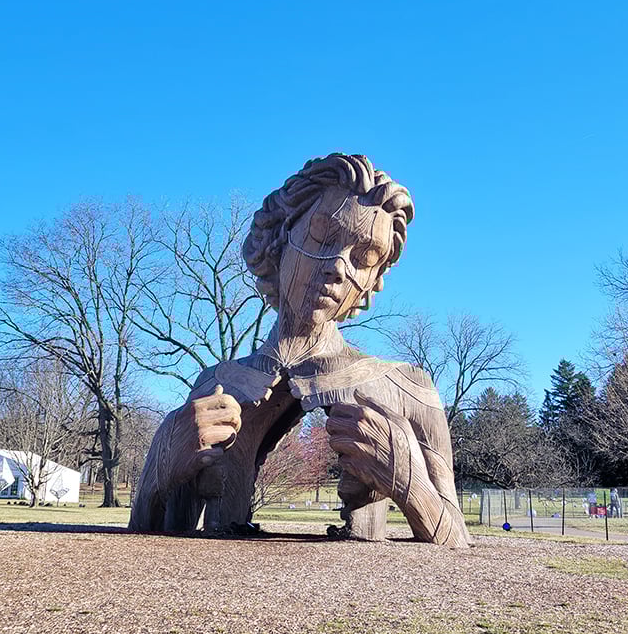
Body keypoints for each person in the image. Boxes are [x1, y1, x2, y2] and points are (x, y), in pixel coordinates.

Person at [129, 153, 471, 546]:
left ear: (373, 279)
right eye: (322, 237)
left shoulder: (409, 388)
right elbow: (159, 536)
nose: (339, 268)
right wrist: (160, 463)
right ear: (279, 239)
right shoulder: (215, 384)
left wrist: (409, 479)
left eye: (363, 258)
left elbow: (456, 540)